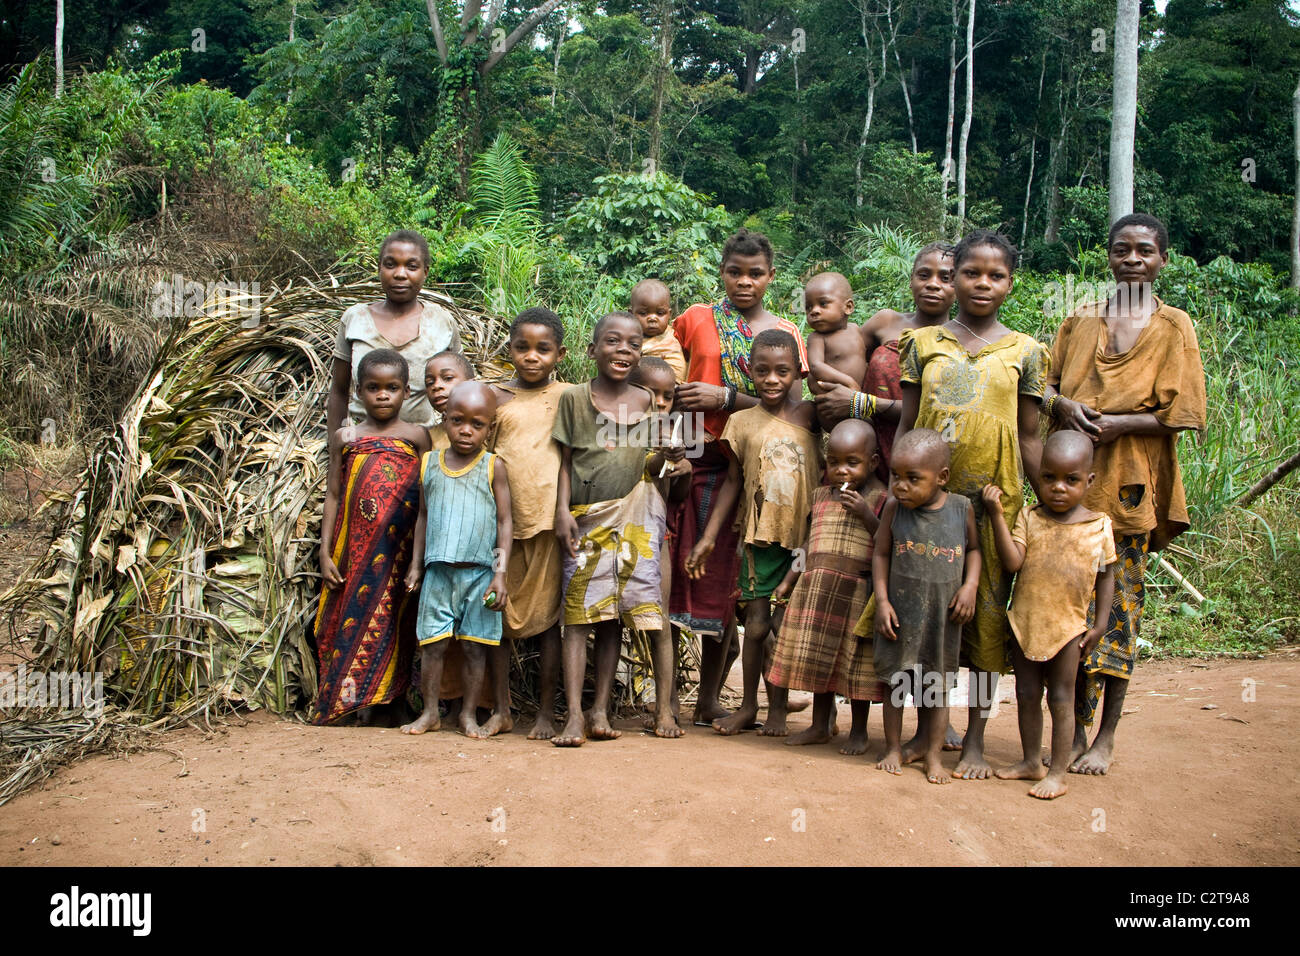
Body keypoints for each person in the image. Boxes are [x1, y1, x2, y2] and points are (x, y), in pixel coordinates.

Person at [1042, 211, 1206, 776]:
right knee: (1062, 609)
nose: (1132, 259)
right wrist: (1063, 406)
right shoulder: (1080, 318)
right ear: (1107, 256)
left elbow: (1182, 414)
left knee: (1118, 616)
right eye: (1121, 249)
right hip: (1066, 489)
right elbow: (1047, 384)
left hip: (1128, 490)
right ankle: (1073, 731)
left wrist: (1120, 424)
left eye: (1144, 250)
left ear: (1162, 259)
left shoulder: (1174, 326)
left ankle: (1105, 737)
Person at [893, 229, 1049, 779]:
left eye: (996, 275)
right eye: (971, 273)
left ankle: (978, 737)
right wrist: (891, 491)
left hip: (991, 506)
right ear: (953, 277)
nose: (983, 283)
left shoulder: (1026, 351)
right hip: (926, 505)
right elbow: (907, 424)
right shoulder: (923, 344)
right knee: (924, 618)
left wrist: (1045, 506)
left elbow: (1029, 436)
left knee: (984, 625)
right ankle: (924, 732)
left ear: (1010, 283)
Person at [670, 228, 810, 727]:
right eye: (735, 272)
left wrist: (726, 398)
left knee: (737, 591)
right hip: (694, 462)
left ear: (771, 277)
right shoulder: (696, 319)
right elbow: (667, 374)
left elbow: (788, 409)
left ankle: (719, 695)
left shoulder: (787, 333)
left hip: (755, 475)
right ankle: (675, 699)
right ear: (722, 271)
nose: (744, 282)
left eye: (755, 274)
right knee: (683, 575)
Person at [551, 312, 680, 747]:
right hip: (585, 517)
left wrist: (670, 454)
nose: (624, 350)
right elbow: (565, 461)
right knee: (577, 617)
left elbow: (653, 464)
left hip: (632, 520)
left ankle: (600, 709)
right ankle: (572, 714)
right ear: (592, 350)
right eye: (612, 341)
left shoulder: (646, 401)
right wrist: (561, 511)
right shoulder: (574, 398)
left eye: (634, 344)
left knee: (611, 620)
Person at [686, 329, 822, 737]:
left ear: (798, 372)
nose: (772, 379)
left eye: (783, 371)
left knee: (794, 627)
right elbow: (732, 482)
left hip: (804, 538)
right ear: (748, 369)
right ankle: (750, 706)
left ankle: (790, 712)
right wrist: (709, 537)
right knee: (758, 626)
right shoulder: (741, 421)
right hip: (759, 537)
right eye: (762, 371)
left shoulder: (813, 416)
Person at [983, 431, 1117, 799]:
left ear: (1088, 481)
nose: (1058, 488)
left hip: (1068, 629)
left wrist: (1101, 621)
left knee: (1060, 698)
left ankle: (1057, 772)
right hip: (1025, 621)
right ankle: (1030, 761)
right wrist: (996, 513)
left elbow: (1107, 575)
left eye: (1070, 480)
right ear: (1038, 476)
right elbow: (1013, 561)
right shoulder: (1030, 516)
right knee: (1026, 693)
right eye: (1049, 478)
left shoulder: (1099, 525)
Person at [313, 349, 432, 725]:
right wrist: (325, 552)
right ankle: (346, 703)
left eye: (392, 388)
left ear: (406, 391)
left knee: (397, 623)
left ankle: (391, 703)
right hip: (352, 551)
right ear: (359, 392)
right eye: (374, 388)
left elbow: (427, 500)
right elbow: (333, 495)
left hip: (399, 553)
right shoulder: (345, 437)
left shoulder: (417, 436)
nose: (383, 395)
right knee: (348, 620)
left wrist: (417, 559)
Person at [765, 418, 887, 753]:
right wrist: (789, 580)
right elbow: (807, 544)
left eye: (852, 463)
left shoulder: (880, 500)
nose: (842, 471)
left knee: (855, 666)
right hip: (817, 590)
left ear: (873, 462)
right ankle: (820, 725)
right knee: (820, 662)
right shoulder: (820, 496)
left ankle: (859, 731)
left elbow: (886, 543)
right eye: (834, 463)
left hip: (857, 594)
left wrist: (866, 514)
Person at [400, 382, 511, 739]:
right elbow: (422, 517)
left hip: (480, 575)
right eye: (458, 421)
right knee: (432, 646)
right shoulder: (429, 463)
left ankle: (467, 714)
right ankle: (430, 712)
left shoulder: (493, 466)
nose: (466, 430)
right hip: (437, 574)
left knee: (475, 649)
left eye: (477, 424)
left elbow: (504, 522)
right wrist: (416, 565)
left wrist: (500, 573)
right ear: (444, 420)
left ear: (489, 429)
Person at [872, 429, 981, 785]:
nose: (901, 486)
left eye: (913, 479)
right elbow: (881, 553)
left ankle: (933, 754)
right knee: (896, 684)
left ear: (942, 477)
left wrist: (970, 586)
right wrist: (883, 601)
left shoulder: (961, 509)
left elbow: (975, 551)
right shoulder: (893, 508)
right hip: (901, 616)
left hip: (942, 617)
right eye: (896, 477)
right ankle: (892, 747)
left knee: (936, 688)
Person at [484, 308, 569, 739]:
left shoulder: (571, 396)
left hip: (550, 526)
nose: (531, 357)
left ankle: (544, 713)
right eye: (522, 347)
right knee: (498, 618)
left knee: (550, 622)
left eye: (543, 349)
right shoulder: (494, 398)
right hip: (503, 529)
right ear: (510, 349)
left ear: (560, 354)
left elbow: (575, 457)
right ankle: (500, 709)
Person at [814, 243, 954, 479]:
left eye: (946, 277)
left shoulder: (960, 343)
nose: (932, 283)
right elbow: (844, 355)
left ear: (959, 284)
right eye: (924, 275)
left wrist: (861, 402)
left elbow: (938, 413)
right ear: (911, 280)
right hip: (863, 452)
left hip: (924, 459)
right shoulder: (885, 322)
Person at [328, 230, 463, 432]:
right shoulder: (355, 319)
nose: (400, 274)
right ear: (379, 268)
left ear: (425, 272)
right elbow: (338, 392)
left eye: (411, 266)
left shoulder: (441, 321)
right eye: (391, 265)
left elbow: (462, 388)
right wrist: (337, 447)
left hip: (422, 443)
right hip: (362, 445)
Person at [629, 356, 691, 738]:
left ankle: (665, 707)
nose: (662, 402)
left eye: (669, 396)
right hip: (613, 532)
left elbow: (677, 496)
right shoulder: (617, 428)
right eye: (653, 393)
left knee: (660, 621)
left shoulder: (673, 436)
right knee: (605, 622)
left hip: (655, 537)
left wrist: (683, 469)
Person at [804, 272, 865, 401]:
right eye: (808, 307)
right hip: (833, 401)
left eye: (823, 303)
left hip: (859, 400)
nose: (814, 311)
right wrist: (849, 383)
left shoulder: (855, 330)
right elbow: (816, 366)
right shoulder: (817, 338)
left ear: (848, 307)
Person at [630, 279, 687, 381]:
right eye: (643, 313)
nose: (652, 318)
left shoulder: (675, 334)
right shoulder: (630, 339)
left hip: (676, 390)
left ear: (669, 314)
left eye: (660, 313)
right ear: (631, 314)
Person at [425, 350, 476, 449]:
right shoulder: (427, 438)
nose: (436, 386)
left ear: (471, 383)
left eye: (448, 378)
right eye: (429, 382)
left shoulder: (488, 431)